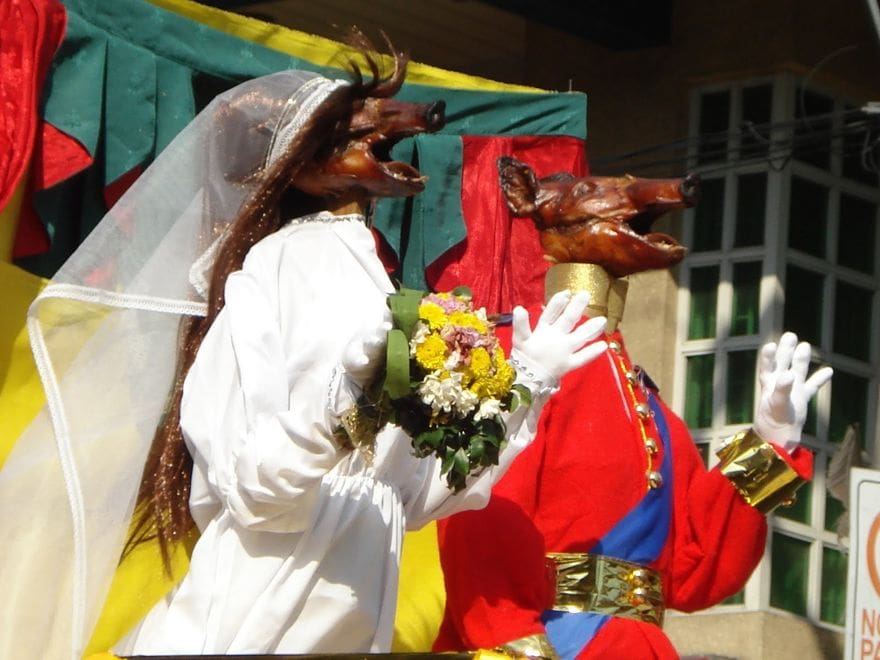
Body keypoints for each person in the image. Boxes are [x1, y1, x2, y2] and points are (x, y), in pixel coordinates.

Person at [0, 52, 608, 659]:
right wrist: (352, 405)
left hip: (354, 606)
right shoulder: (277, 266)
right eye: (355, 134)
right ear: (304, 164)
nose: (393, 134)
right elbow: (253, 484)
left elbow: (419, 493)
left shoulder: (373, 272)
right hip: (262, 609)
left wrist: (526, 383)